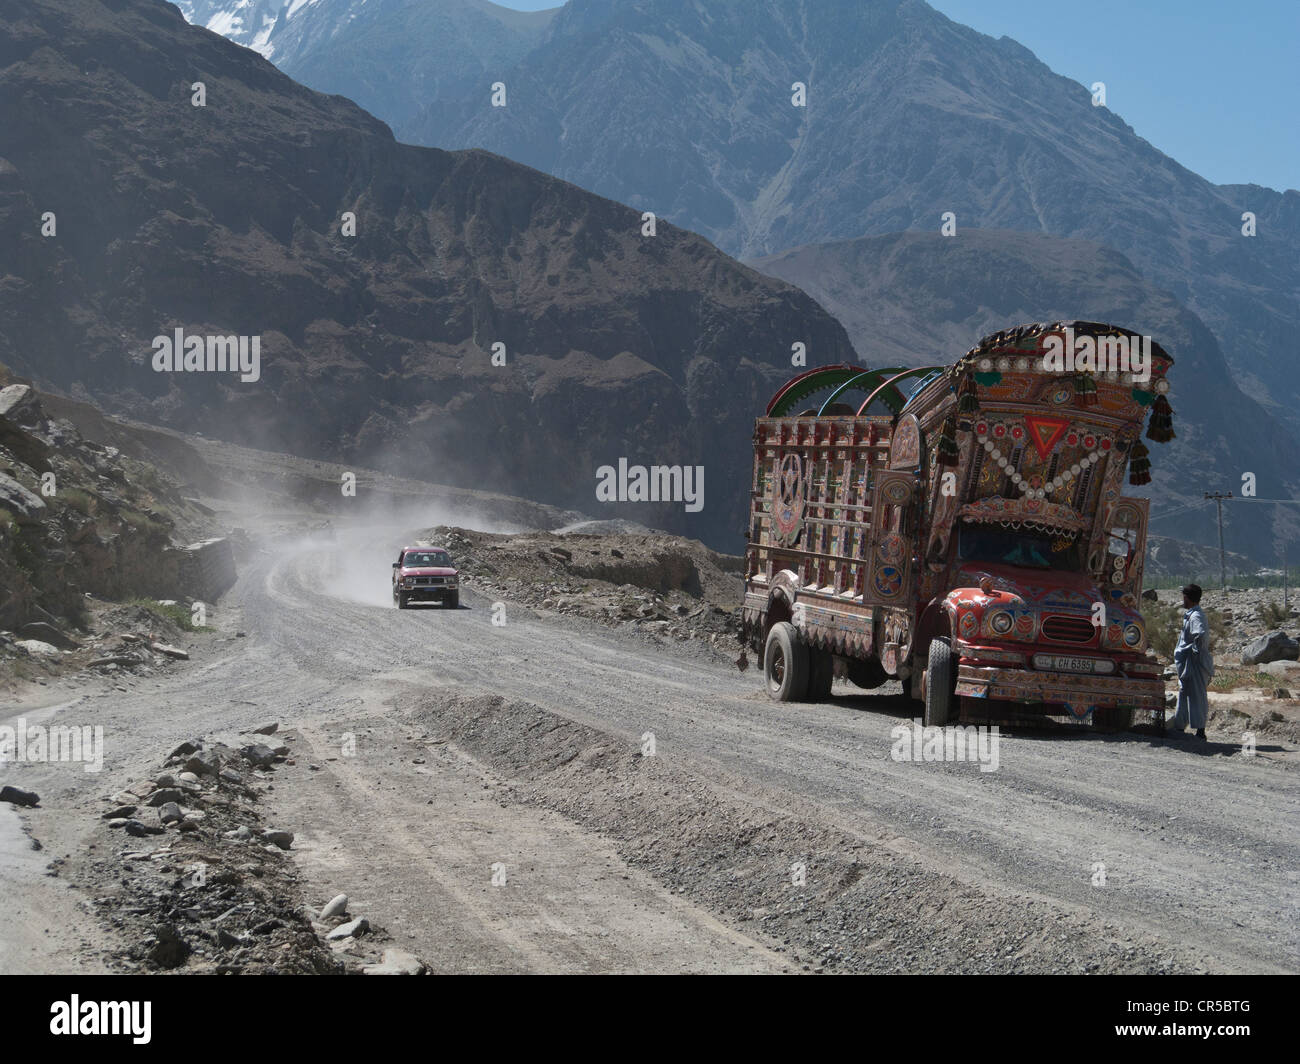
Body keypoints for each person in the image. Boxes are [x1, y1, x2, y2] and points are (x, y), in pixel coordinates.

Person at [1170, 583, 1210, 740]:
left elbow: (1200, 634)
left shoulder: (1196, 616)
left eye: (1184, 597)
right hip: (1188, 664)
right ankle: (1179, 727)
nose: (1183, 600)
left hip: (1194, 663)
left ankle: (1201, 732)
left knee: (1197, 696)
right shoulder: (1191, 614)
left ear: (1188, 598)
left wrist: (1195, 654)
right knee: (1184, 693)